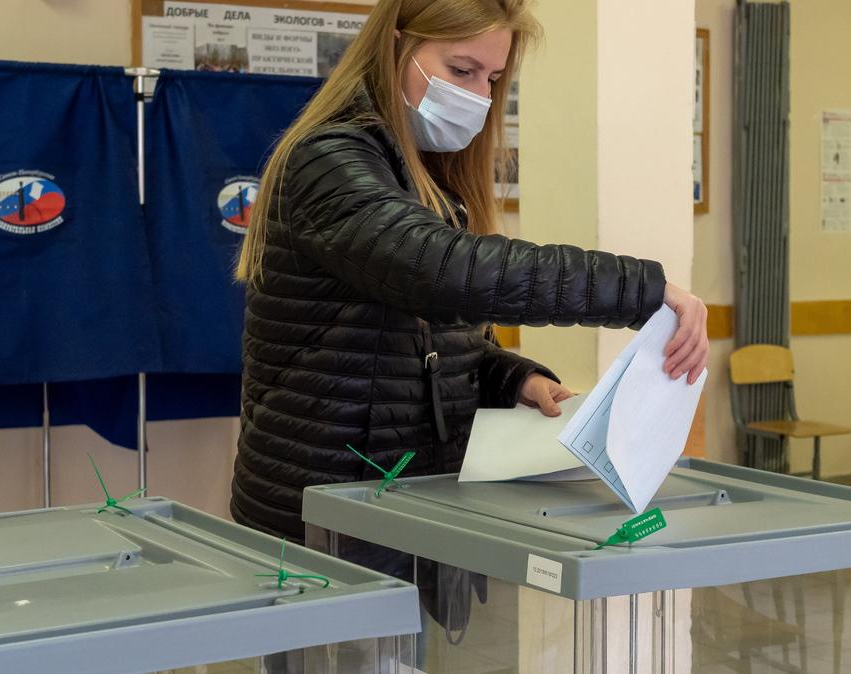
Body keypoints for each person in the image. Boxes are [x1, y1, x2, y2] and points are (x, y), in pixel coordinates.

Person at [232, 0, 708, 570]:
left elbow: (421, 340)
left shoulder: (428, 175)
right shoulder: (330, 161)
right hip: (324, 517)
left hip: (407, 504)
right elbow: (441, 272)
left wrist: (512, 378)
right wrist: (639, 290)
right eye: (462, 70)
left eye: (492, 78)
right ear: (395, 46)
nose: (479, 95)